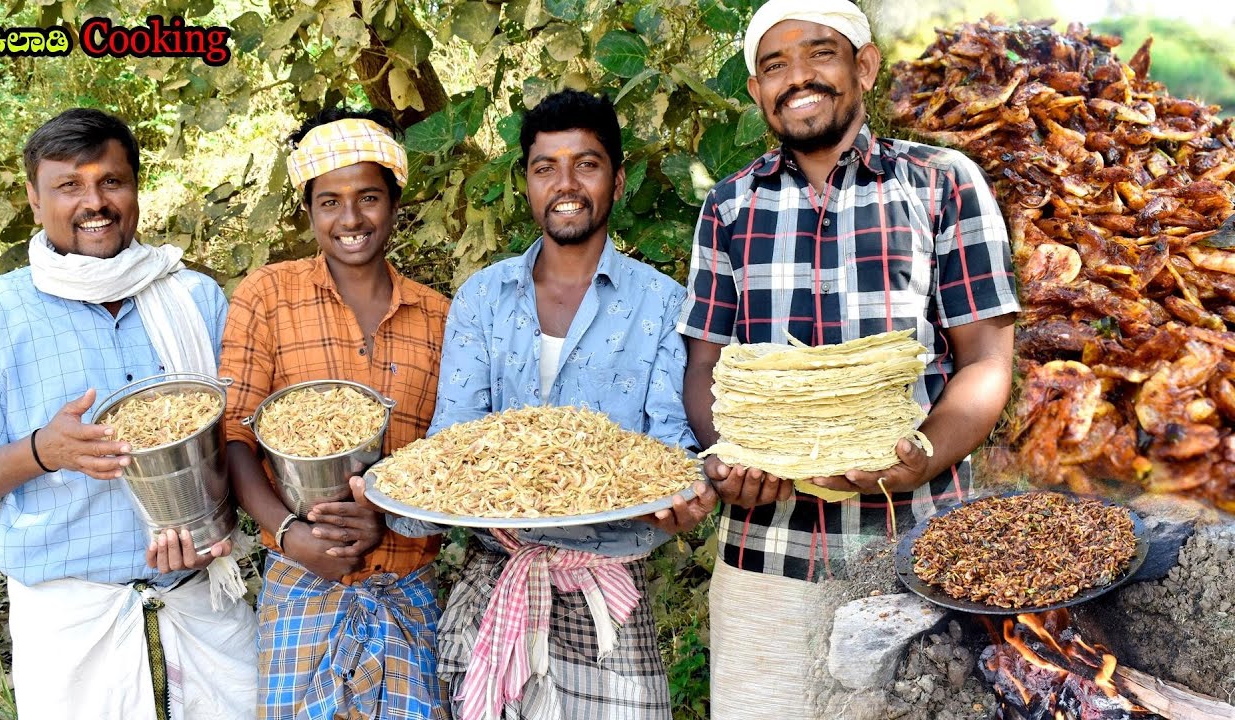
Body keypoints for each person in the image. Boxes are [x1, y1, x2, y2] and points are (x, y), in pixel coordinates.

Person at [677, 1, 1020, 716]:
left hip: (918, 554)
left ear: (864, 67)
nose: (798, 76)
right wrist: (728, 458)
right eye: (774, 65)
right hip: (766, 560)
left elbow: (986, 358)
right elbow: (706, 368)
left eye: (821, 53)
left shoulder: (941, 183)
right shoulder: (729, 207)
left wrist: (925, 453)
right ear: (756, 91)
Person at [382, 88, 716, 720]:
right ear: (528, 184)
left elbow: (673, 452)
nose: (566, 184)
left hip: (608, 590)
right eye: (545, 168)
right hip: (494, 585)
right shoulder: (482, 298)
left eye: (585, 164)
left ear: (617, 182)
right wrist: (407, 499)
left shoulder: (665, 305)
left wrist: (684, 499)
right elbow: (453, 441)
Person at [0, 108, 257, 719]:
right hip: (69, 621)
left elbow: (238, 437)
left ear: (136, 188)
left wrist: (207, 522)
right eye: (69, 185)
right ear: (36, 202)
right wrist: (44, 451)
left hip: (204, 594)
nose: (95, 202)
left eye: (111, 181)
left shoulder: (193, 297)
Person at [220, 107, 450, 719]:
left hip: (405, 590)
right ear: (309, 208)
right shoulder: (266, 295)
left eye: (368, 197)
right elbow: (236, 433)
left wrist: (390, 521)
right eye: (330, 201)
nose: (351, 219)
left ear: (395, 202)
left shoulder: (441, 318)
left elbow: (451, 461)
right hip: (300, 586)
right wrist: (292, 535)